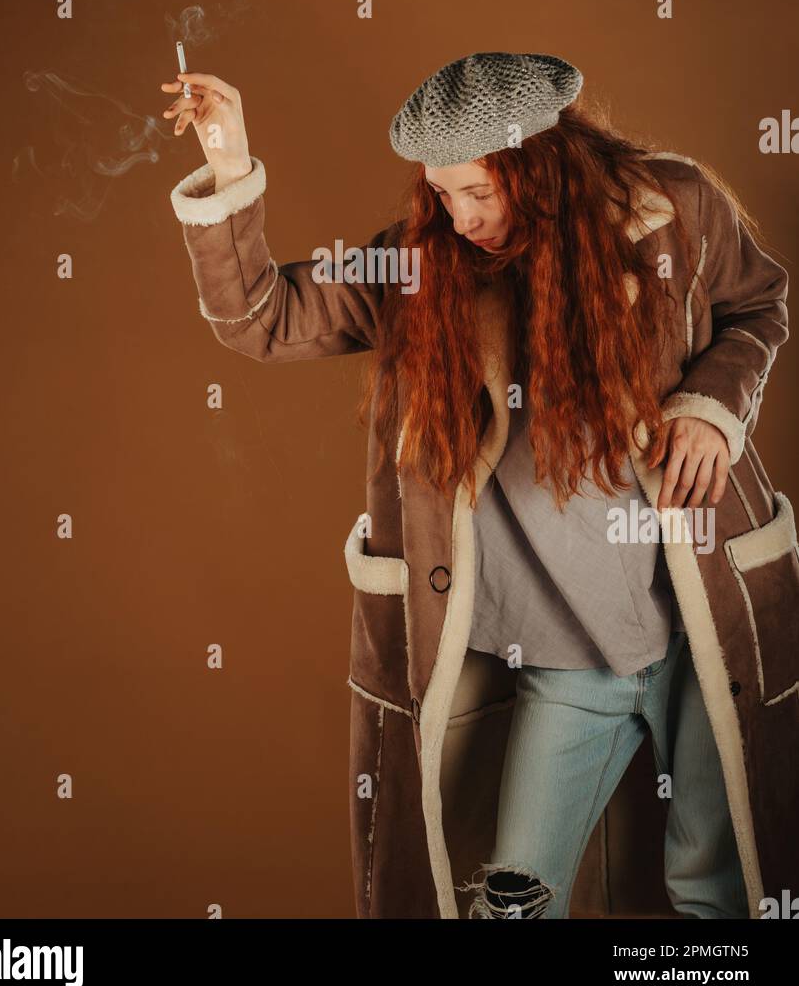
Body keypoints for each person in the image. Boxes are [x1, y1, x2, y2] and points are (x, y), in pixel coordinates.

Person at [163, 53, 793, 920]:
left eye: (480, 193)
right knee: (513, 905)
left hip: (703, 628)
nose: (459, 218)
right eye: (442, 194)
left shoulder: (672, 210)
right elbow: (261, 317)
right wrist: (230, 165)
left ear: (541, 168)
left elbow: (758, 304)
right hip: (567, 663)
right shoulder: (415, 269)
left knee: (716, 897)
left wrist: (710, 406)